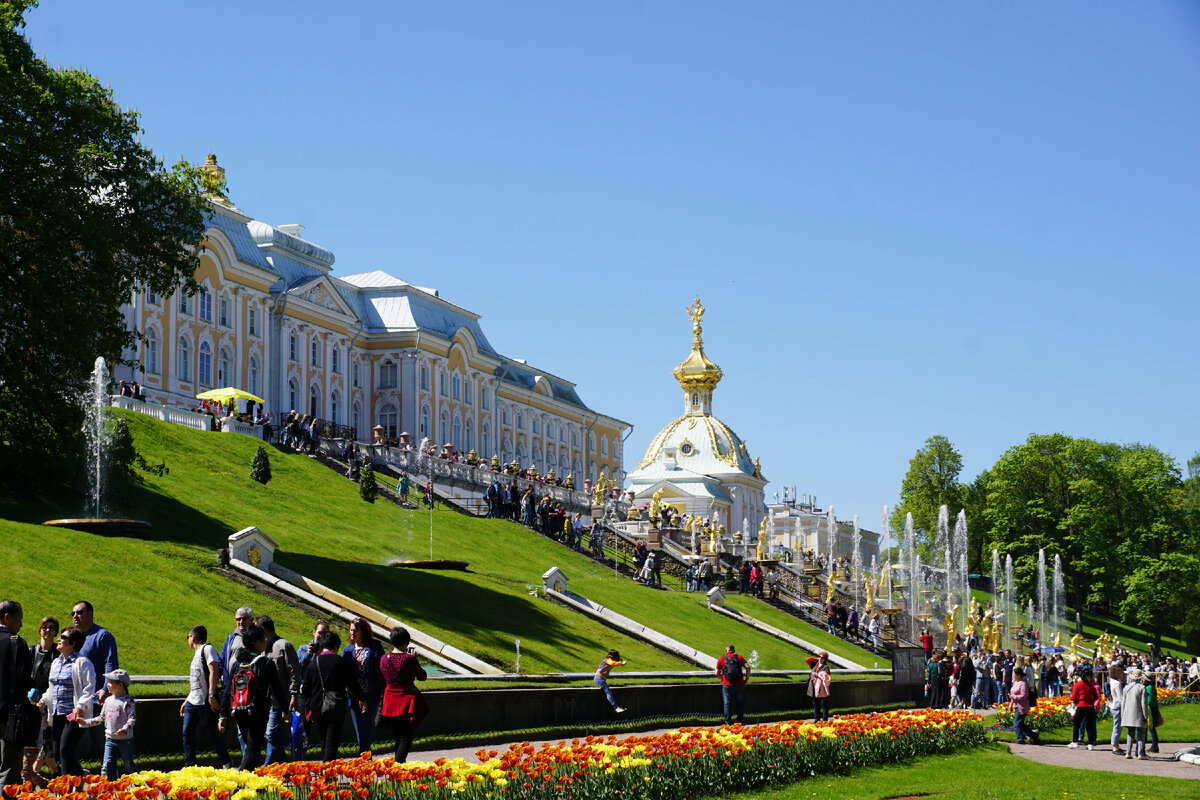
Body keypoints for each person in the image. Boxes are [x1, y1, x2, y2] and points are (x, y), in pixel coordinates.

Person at [219, 623, 287, 770]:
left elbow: (227, 691)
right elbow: (278, 690)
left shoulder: (238, 663)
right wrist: (286, 711)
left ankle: (258, 788)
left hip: (238, 711)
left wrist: (223, 715)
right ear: (256, 642)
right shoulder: (266, 663)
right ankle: (237, 784)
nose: (266, 641)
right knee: (252, 750)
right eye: (263, 639)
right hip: (258, 711)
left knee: (253, 748)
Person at [301, 630, 364, 763]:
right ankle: (327, 775)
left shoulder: (313, 664)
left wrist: (308, 707)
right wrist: (362, 698)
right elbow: (352, 683)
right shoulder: (340, 661)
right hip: (335, 705)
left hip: (317, 706)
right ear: (336, 646)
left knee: (324, 740)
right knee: (332, 742)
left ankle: (327, 773)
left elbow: (306, 688)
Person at [41, 626, 95, 776]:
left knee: (65, 749)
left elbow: (89, 688)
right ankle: (81, 777)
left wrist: (80, 706)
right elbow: (51, 688)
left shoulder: (82, 662)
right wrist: (43, 700)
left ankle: (67, 787)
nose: (58, 639)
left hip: (74, 715)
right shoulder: (56, 662)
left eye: (63, 637)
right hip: (57, 712)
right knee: (59, 751)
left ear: (72, 643)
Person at [70, 601, 117, 761]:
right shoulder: (73, 638)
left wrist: (105, 688)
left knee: (100, 741)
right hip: (77, 700)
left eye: (79, 612)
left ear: (90, 614)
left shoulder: (102, 635)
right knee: (72, 742)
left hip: (97, 699)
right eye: (73, 613)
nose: (75, 616)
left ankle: (110, 778)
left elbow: (111, 663)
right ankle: (72, 777)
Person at [181, 625, 231, 768]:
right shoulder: (196, 655)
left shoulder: (207, 649)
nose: (188, 640)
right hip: (193, 700)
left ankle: (226, 762)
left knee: (209, 733)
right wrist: (186, 701)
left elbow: (214, 670)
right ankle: (189, 764)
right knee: (187, 732)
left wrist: (211, 694)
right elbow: (196, 681)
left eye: (188, 637)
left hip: (204, 700)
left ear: (193, 637)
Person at [379, 627, 429, 762]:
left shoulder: (384, 658)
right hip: (405, 699)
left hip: (390, 699)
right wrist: (414, 659)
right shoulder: (408, 659)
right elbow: (422, 676)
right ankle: (398, 765)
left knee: (398, 735)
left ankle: (399, 764)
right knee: (406, 737)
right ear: (406, 642)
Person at [257, 616, 301, 764]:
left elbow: (294, 672)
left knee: (271, 733)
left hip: (280, 699)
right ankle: (283, 767)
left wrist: (293, 695)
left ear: (263, 630)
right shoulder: (261, 648)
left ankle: (266, 769)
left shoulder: (283, 646)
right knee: (272, 734)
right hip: (266, 700)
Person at [77, 669, 136, 779]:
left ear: (120, 685)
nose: (107, 685)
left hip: (125, 740)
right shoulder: (108, 700)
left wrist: (125, 729)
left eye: (110, 683)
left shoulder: (127, 701)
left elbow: (132, 718)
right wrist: (86, 722)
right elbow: (101, 718)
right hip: (110, 739)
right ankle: (104, 789)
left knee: (129, 764)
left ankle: (141, 784)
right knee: (106, 766)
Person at [0, 601, 33, 789]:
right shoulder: (16, 643)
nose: (20, 625)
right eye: (19, 619)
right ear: (7, 618)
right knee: (8, 768)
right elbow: (24, 680)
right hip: (8, 715)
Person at [23, 616, 58, 786]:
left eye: (52, 628)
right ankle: (47, 777)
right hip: (30, 702)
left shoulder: (57, 655)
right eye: (45, 627)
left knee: (44, 741)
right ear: (39, 630)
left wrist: (44, 699)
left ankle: (35, 777)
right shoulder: (31, 651)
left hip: (48, 703)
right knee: (37, 742)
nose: (48, 631)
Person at [342, 618, 384, 754]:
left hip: (370, 693)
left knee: (365, 725)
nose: (353, 633)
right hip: (354, 694)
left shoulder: (375, 646)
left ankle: (365, 757)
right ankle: (365, 757)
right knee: (358, 727)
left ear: (363, 631)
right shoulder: (347, 650)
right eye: (351, 630)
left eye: (356, 630)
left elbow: (382, 666)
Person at [716, 644, 749, 725]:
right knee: (740, 703)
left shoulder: (721, 659)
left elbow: (716, 673)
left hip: (727, 685)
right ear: (734, 651)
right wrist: (746, 680)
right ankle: (740, 722)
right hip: (740, 684)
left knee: (727, 704)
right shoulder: (739, 657)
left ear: (726, 651)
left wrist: (722, 678)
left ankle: (728, 722)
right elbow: (748, 668)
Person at [1067, 667, 1099, 750]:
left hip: (1081, 706)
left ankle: (1075, 742)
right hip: (1090, 707)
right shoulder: (1091, 686)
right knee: (1089, 726)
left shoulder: (1077, 685)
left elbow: (1073, 697)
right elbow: (1095, 696)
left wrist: (1074, 700)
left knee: (1076, 724)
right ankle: (1090, 743)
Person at [1121, 667, 1149, 760]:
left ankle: (1128, 752)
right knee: (1141, 733)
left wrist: (1122, 715)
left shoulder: (1126, 687)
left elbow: (1123, 703)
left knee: (1130, 733)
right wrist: (1146, 716)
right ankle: (1141, 753)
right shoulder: (1142, 688)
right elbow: (1143, 704)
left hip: (1128, 714)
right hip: (1138, 714)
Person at [594, 650, 627, 714]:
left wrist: (620, 662)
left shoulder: (607, 659)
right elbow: (612, 663)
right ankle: (616, 707)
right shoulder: (608, 660)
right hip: (599, 678)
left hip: (600, 678)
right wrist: (622, 663)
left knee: (607, 692)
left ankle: (615, 707)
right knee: (608, 692)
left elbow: (614, 662)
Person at [1009, 664, 1033, 745]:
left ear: (1018, 675)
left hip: (1022, 707)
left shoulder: (1023, 684)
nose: (1013, 676)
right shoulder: (1015, 683)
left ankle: (1020, 739)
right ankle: (1033, 735)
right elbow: (1012, 694)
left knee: (1017, 723)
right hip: (1016, 706)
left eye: (1014, 674)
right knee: (1020, 724)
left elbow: (1024, 695)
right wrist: (1010, 704)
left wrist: (1014, 697)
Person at [1107, 662, 1126, 754]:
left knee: (1117, 726)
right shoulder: (1117, 684)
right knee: (1117, 727)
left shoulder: (1112, 681)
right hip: (1118, 706)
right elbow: (1121, 698)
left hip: (1113, 705)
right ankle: (1115, 746)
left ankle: (1116, 745)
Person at [808, 651, 832, 721]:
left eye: (822, 658)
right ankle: (817, 719)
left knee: (823, 704)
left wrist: (816, 674)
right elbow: (807, 659)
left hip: (821, 687)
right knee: (815, 704)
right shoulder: (815, 664)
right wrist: (817, 659)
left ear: (825, 659)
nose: (820, 659)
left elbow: (825, 676)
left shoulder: (826, 667)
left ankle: (825, 719)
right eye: (819, 657)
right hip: (813, 686)